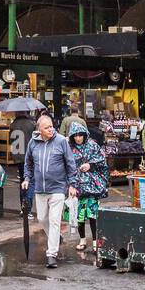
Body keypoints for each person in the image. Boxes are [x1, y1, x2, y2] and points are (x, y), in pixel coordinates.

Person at [22, 114, 78, 268]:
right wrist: (27, 178)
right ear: (39, 129)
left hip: (58, 188)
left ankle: (51, 254)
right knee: (42, 219)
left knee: (54, 220)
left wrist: (72, 184)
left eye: (52, 126)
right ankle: (56, 237)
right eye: (47, 127)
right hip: (40, 188)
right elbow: (28, 163)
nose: (51, 129)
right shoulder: (33, 143)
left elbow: (70, 163)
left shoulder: (60, 141)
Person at [67, 121, 109, 251]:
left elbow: (103, 161)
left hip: (92, 186)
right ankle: (82, 240)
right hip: (78, 186)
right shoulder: (69, 148)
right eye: (75, 135)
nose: (78, 138)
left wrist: (90, 165)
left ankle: (96, 241)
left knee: (93, 215)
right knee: (79, 215)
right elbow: (67, 167)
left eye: (80, 135)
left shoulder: (93, 145)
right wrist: (70, 185)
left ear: (85, 135)